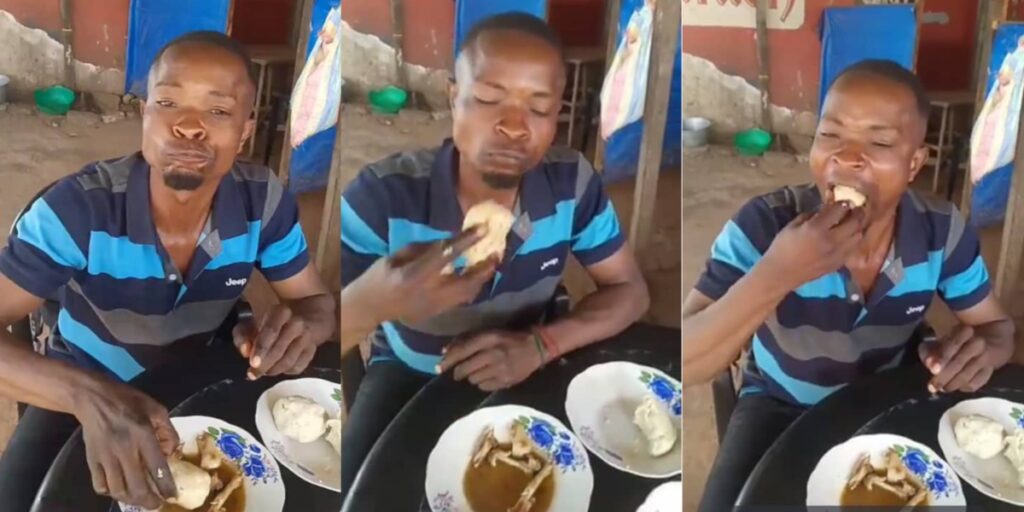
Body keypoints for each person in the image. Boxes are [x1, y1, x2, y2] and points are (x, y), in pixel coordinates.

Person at [0, 31, 336, 510]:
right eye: (168, 103)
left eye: (217, 110)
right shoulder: (77, 210)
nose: (190, 127)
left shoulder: (261, 201)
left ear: (245, 129)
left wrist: (303, 327)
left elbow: (314, 302)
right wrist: (86, 396)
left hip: (204, 378)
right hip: (85, 387)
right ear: (145, 115)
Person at [339, 12, 649, 497]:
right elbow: (326, 332)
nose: (514, 126)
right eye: (487, 99)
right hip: (410, 370)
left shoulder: (571, 184)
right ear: (453, 97)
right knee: (364, 494)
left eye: (539, 108)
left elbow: (630, 291)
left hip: (534, 361)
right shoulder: (381, 197)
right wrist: (374, 303)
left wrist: (540, 345)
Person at [683, 60, 1016, 510]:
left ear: (914, 163)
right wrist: (779, 272)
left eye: (880, 142)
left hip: (889, 396)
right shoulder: (764, 225)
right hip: (780, 402)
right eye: (830, 134)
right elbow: (689, 361)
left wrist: (985, 350)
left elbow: (997, 328)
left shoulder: (940, 232)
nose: (847, 156)